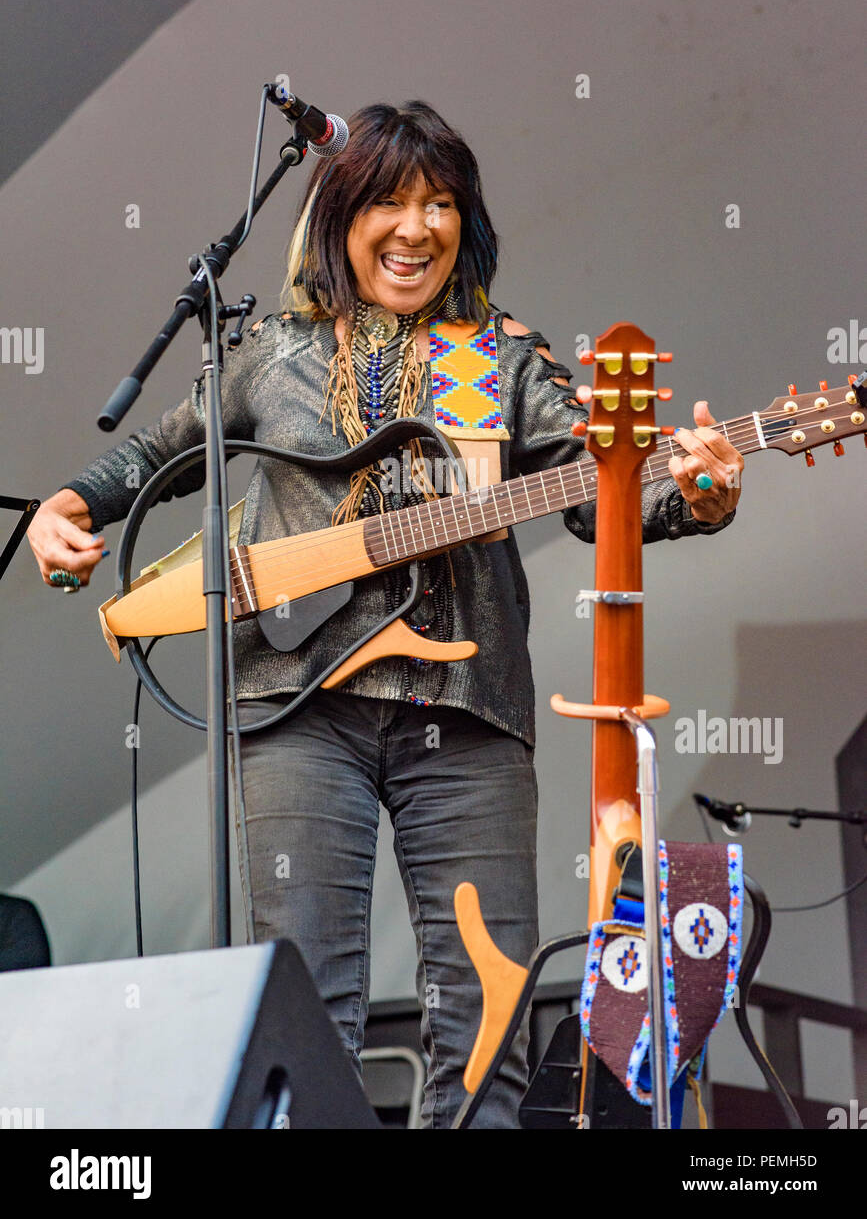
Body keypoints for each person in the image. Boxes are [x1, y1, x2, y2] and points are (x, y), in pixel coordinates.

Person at [26, 100, 743, 1128]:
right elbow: (152, 455)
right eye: (393, 202)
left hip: (467, 709)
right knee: (307, 1007)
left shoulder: (498, 355)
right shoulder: (273, 351)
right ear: (339, 213)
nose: (418, 227)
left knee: (488, 1017)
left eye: (442, 203)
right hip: (295, 705)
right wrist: (68, 507)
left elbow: (604, 492)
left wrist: (700, 490)